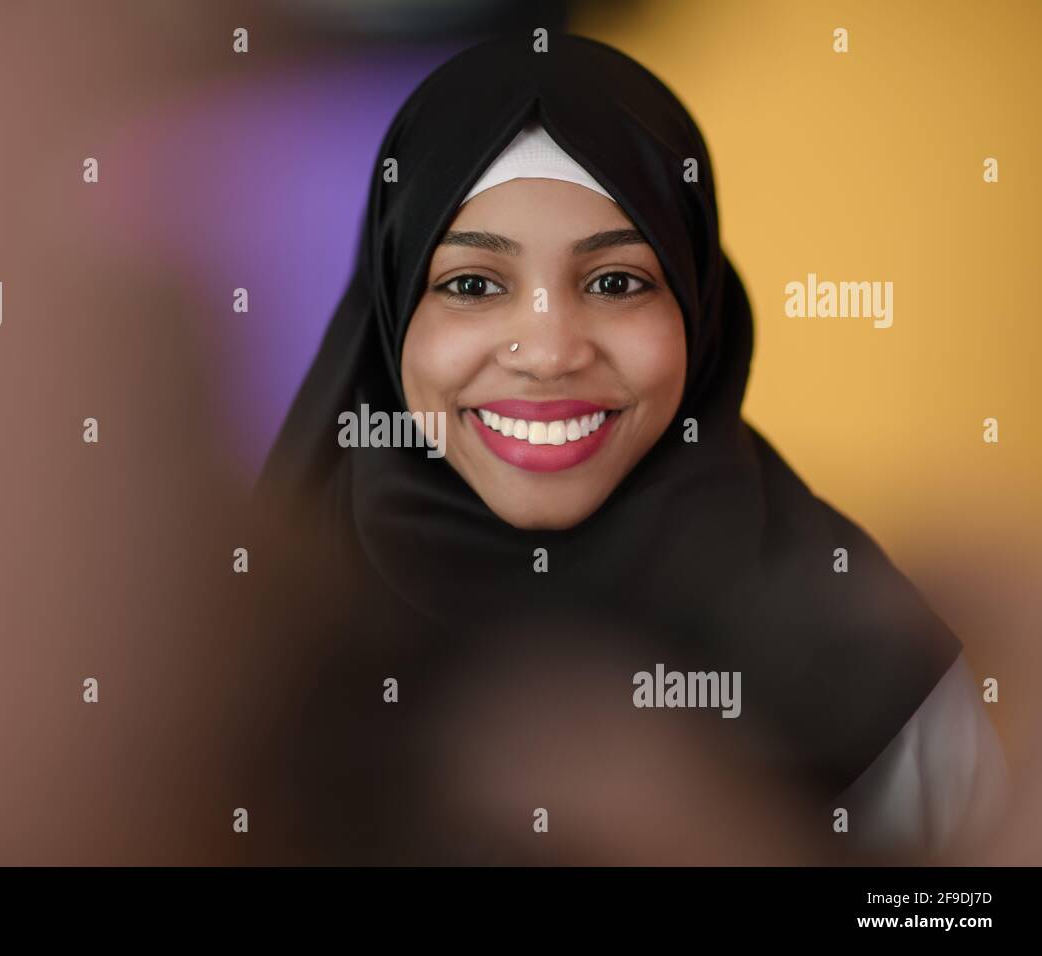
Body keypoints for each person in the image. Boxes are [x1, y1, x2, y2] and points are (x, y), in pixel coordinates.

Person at [256, 32, 1005, 859]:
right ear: (393, 308)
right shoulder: (241, 641)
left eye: (616, 283)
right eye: (472, 285)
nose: (548, 352)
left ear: (698, 306)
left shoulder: (871, 655)